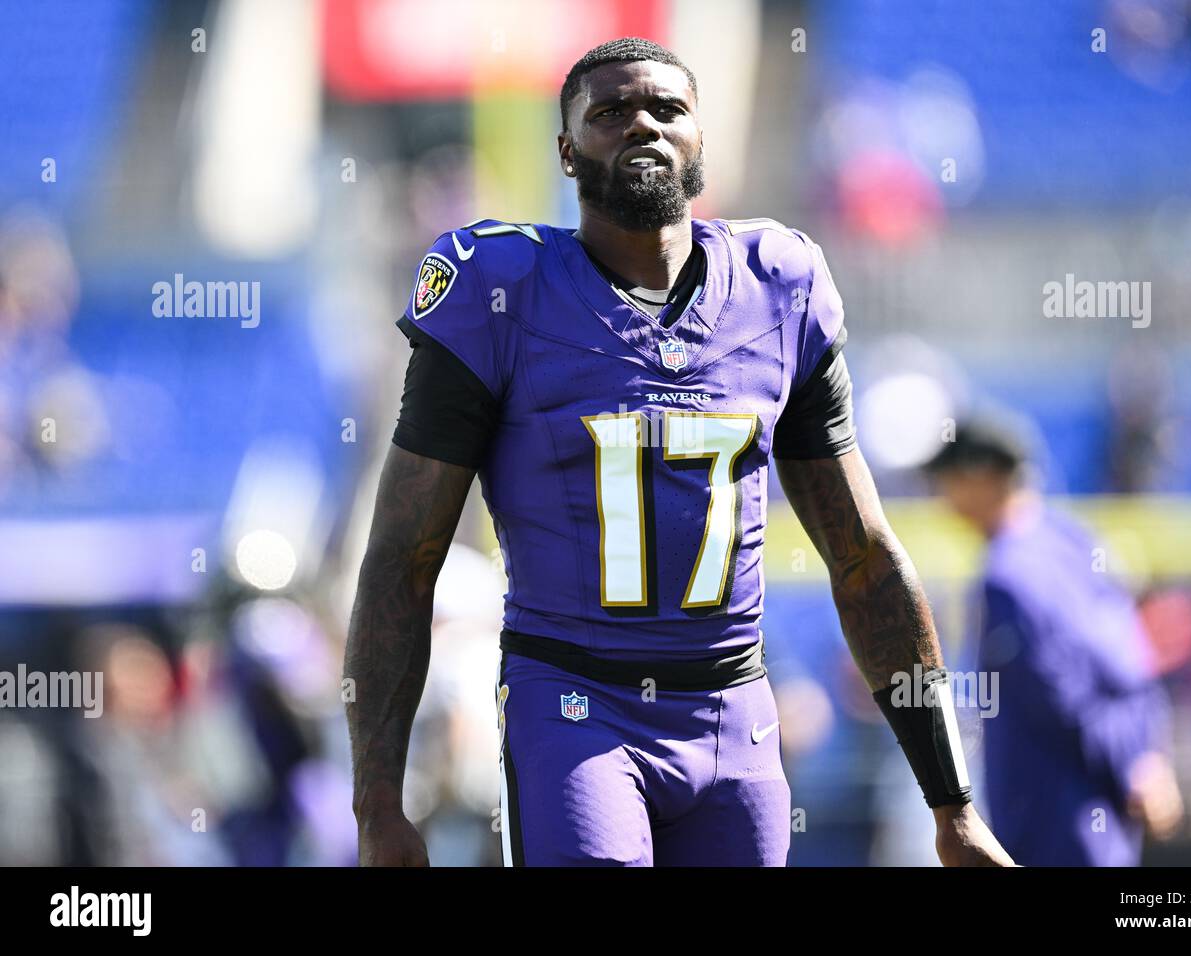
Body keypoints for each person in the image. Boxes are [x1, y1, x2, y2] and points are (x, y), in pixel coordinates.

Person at [345, 36, 1012, 867]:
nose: (643, 126)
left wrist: (952, 806)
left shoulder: (782, 286)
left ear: (701, 135)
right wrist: (377, 802)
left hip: (733, 706)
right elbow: (404, 557)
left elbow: (865, 558)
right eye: (611, 111)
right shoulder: (502, 288)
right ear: (566, 148)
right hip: (574, 704)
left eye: (667, 109)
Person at [922, 418, 1183, 865]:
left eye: (949, 478)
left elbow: (1060, 695)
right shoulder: (1076, 541)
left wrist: (1131, 764)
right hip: (1107, 809)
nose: (941, 493)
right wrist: (1144, 757)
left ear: (982, 476)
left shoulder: (1005, 576)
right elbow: (1130, 665)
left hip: (1056, 817)